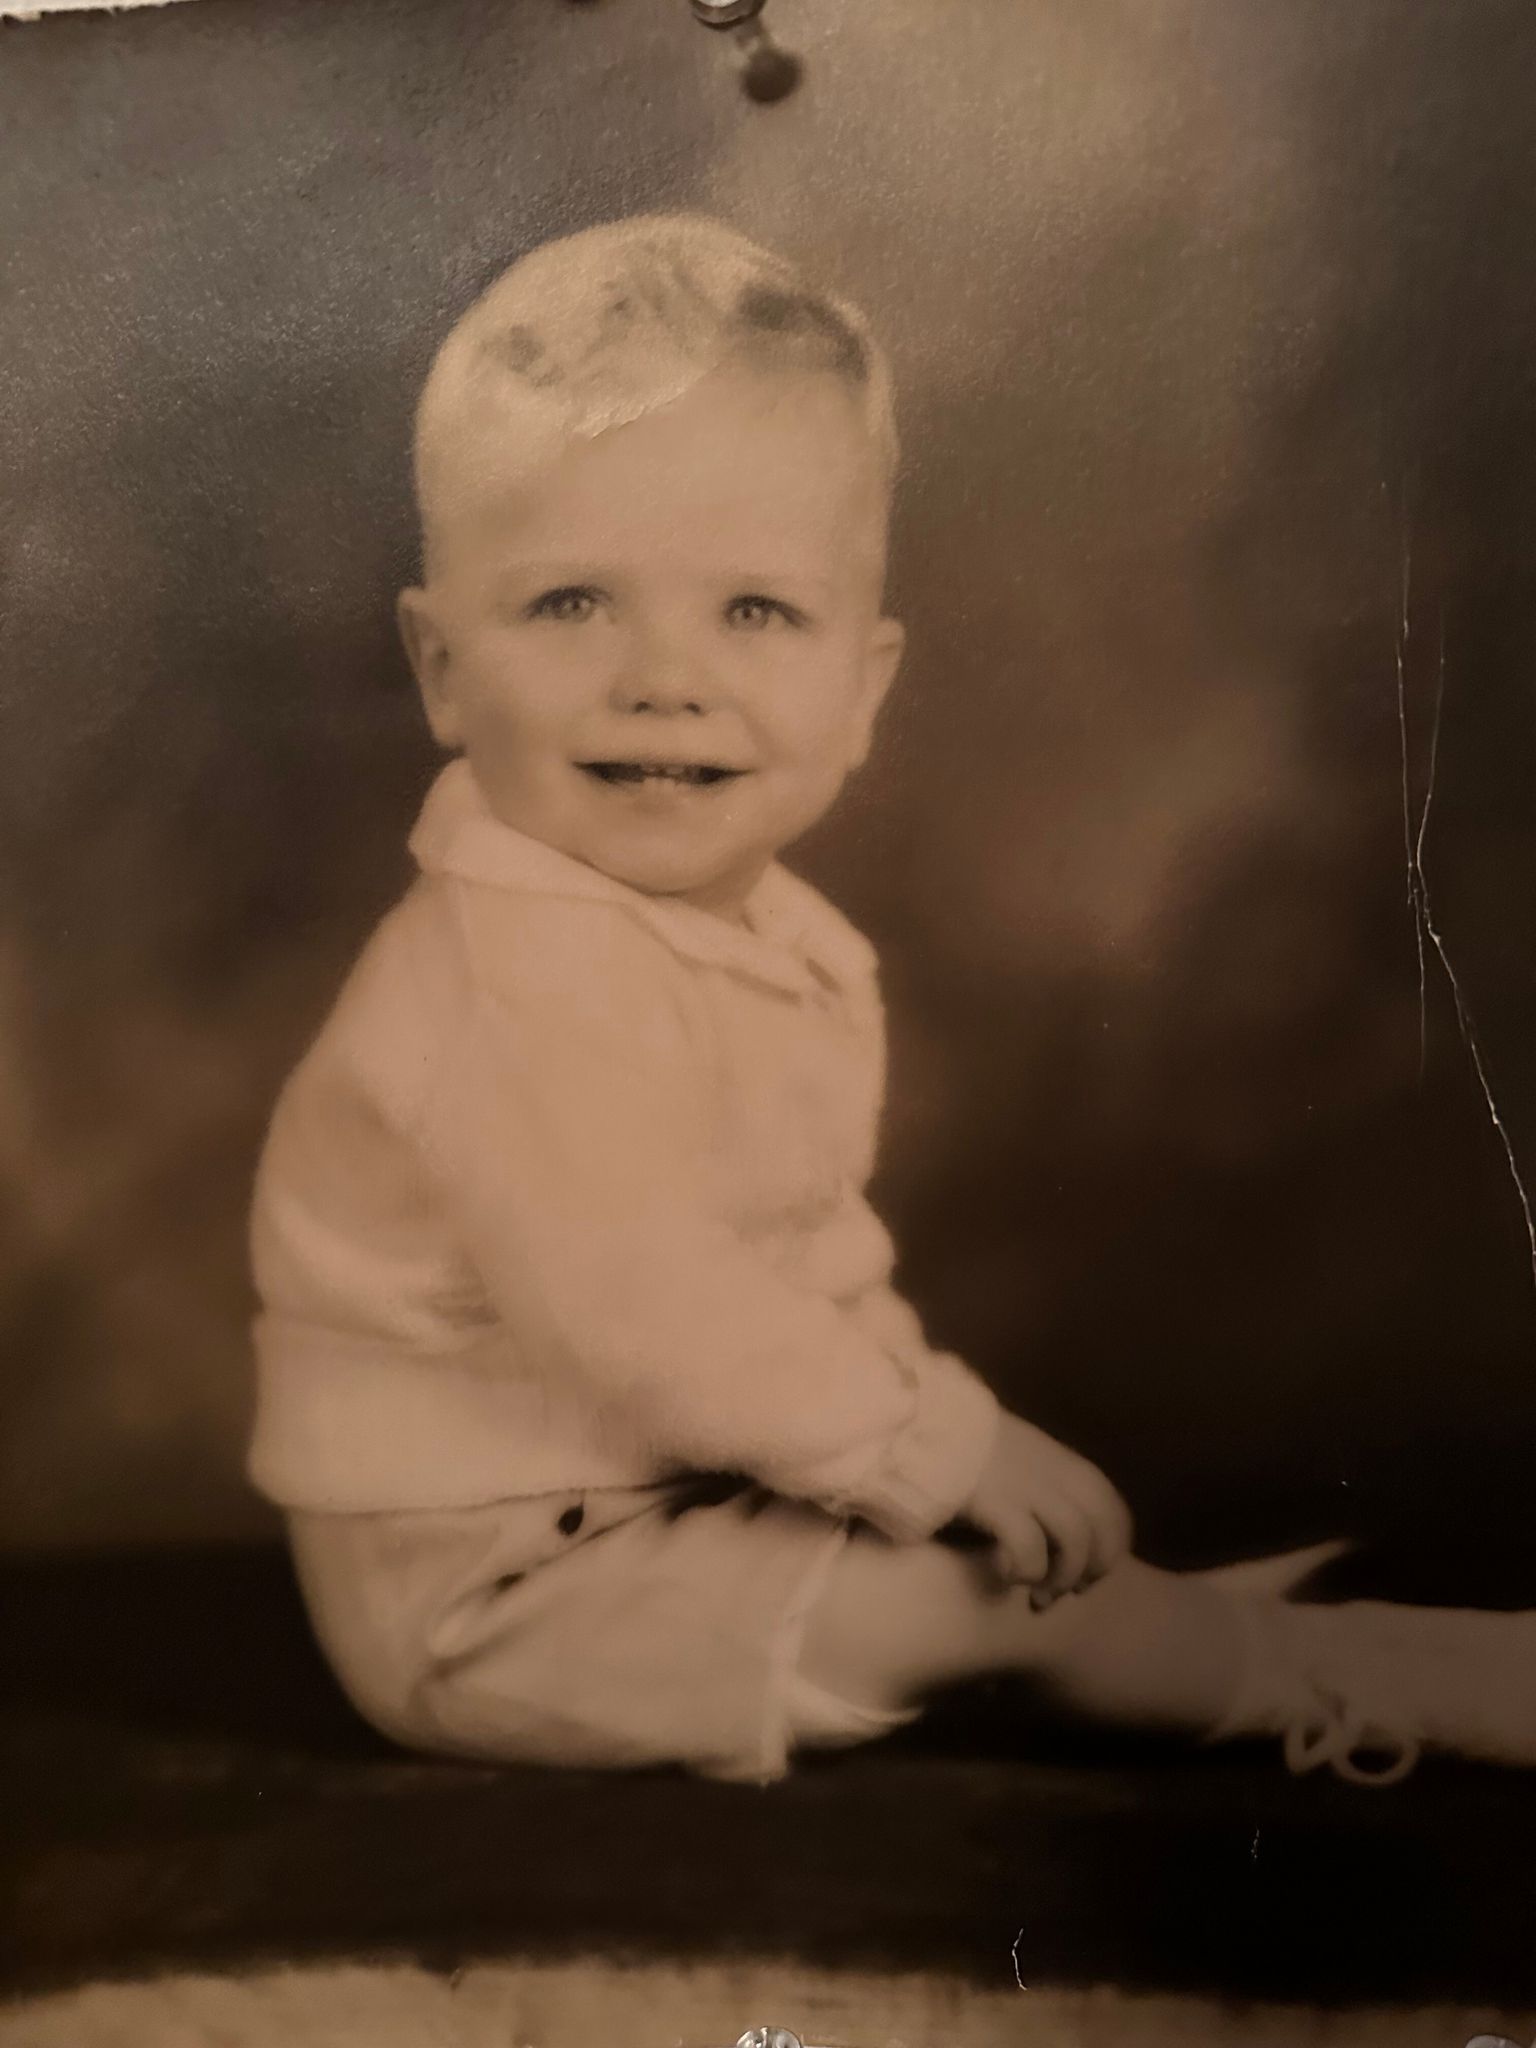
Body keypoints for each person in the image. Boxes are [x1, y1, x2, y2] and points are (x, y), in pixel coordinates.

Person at [247, 214, 1535, 1786]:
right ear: (444, 669)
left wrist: (907, 1462)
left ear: (861, 691)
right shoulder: (507, 978)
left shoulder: (770, 942)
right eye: (572, 602)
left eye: (755, 611)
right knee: (1027, 1609)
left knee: (1024, 1581)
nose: (665, 678)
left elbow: (797, 1276)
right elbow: (655, 1306)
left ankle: (1178, 1632)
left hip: (674, 1491)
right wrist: (935, 1447)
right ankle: (1348, 1679)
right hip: (495, 1593)